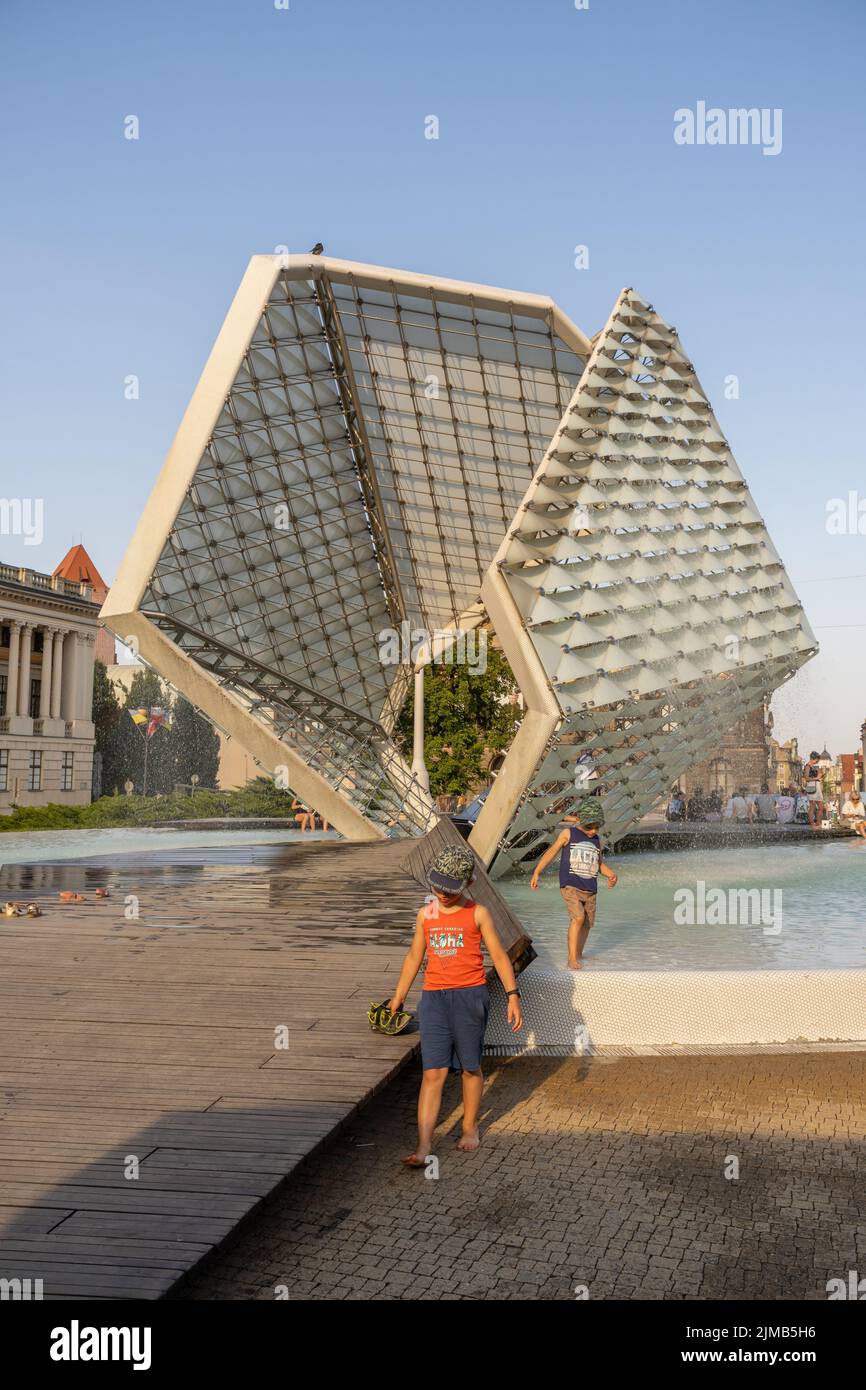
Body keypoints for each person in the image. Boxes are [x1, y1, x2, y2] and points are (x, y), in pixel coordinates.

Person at [387, 845, 522, 1167]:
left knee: (470, 1067)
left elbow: (499, 955)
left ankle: (469, 1125)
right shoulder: (426, 915)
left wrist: (512, 995)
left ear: (467, 884)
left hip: (469, 996)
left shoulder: (478, 913)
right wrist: (399, 996)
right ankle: (423, 1146)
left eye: (450, 890)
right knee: (432, 1072)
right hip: (434, 999)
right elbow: (413, 957)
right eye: (438, 888)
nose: (443, 895)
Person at [529, 796, 618, 970]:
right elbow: (552, 852)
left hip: (590, 889)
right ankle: (571, 958)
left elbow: (598, 864)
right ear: (579, 820)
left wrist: (611, 875)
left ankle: (578, 954)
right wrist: (537, 871)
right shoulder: (568, 834)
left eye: (596, 827)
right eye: (589, 826)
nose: (592, 831)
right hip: (570, 885)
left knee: (587, 923)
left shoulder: (596, 840)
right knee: (578, 917)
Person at [802, 751, 825, 830]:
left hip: (817, 786)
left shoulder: (815, 766)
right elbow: (806, 778)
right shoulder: (807, 766)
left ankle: (818, 823)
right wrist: (816, 778)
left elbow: (820, 775)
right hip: (811, 786)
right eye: (816, 760)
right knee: (812, 806)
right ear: (812, 758)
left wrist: (821, 773)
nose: (817, 761)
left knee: (821, 806)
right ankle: (812, 823)